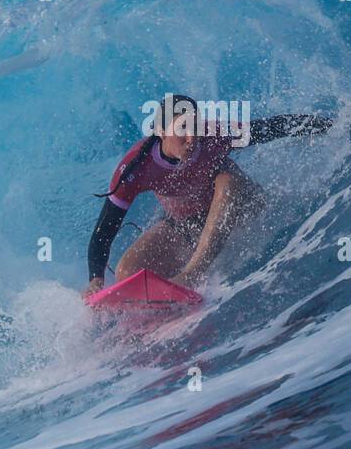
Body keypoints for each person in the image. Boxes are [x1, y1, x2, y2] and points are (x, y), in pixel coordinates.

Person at [84, 94, 334, 298]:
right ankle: (162, 304)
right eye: (182, 129)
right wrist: (96, 280)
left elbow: (270, 128)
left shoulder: (214, 135)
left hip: (241, 206)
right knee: (128, 273)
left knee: (226, 180)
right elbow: (104, 231)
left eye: (195, 127)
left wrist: (328, 125)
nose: (192, 138)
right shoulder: (136, 167)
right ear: (160, 130)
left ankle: (192, 274)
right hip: (186, 224)